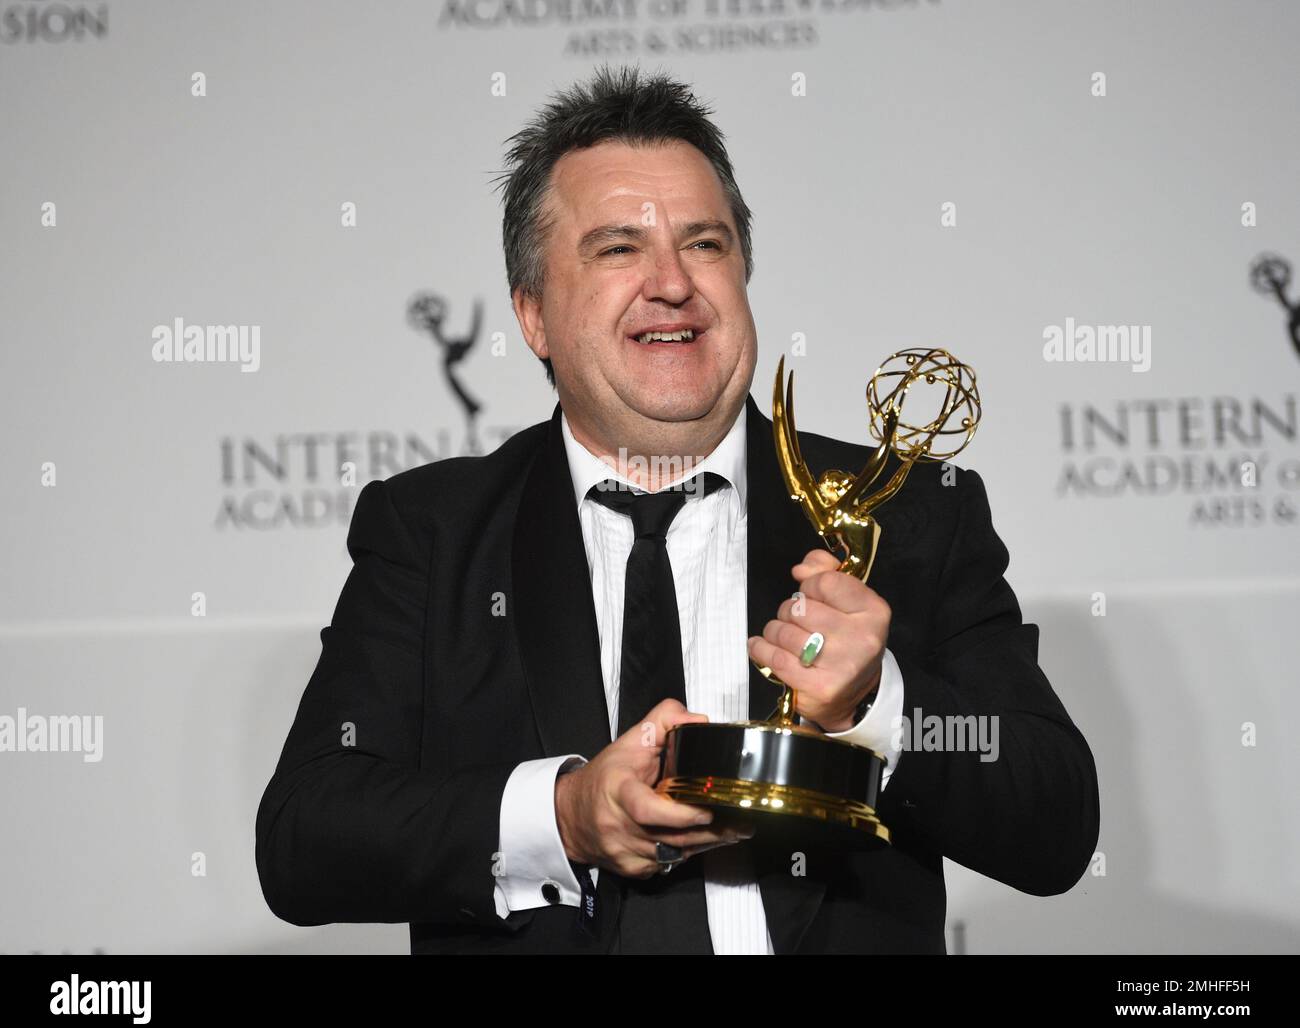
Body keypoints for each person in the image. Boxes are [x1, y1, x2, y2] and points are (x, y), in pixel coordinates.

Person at [255, 64, 1100, 954]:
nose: (672, 283)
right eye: (618, 247)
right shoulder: (432, 532)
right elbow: (305, 835)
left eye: (705, 244)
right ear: (533, 312)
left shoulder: (910, 514)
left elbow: (1055, 824)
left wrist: (878, 705)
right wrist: (565, 815)